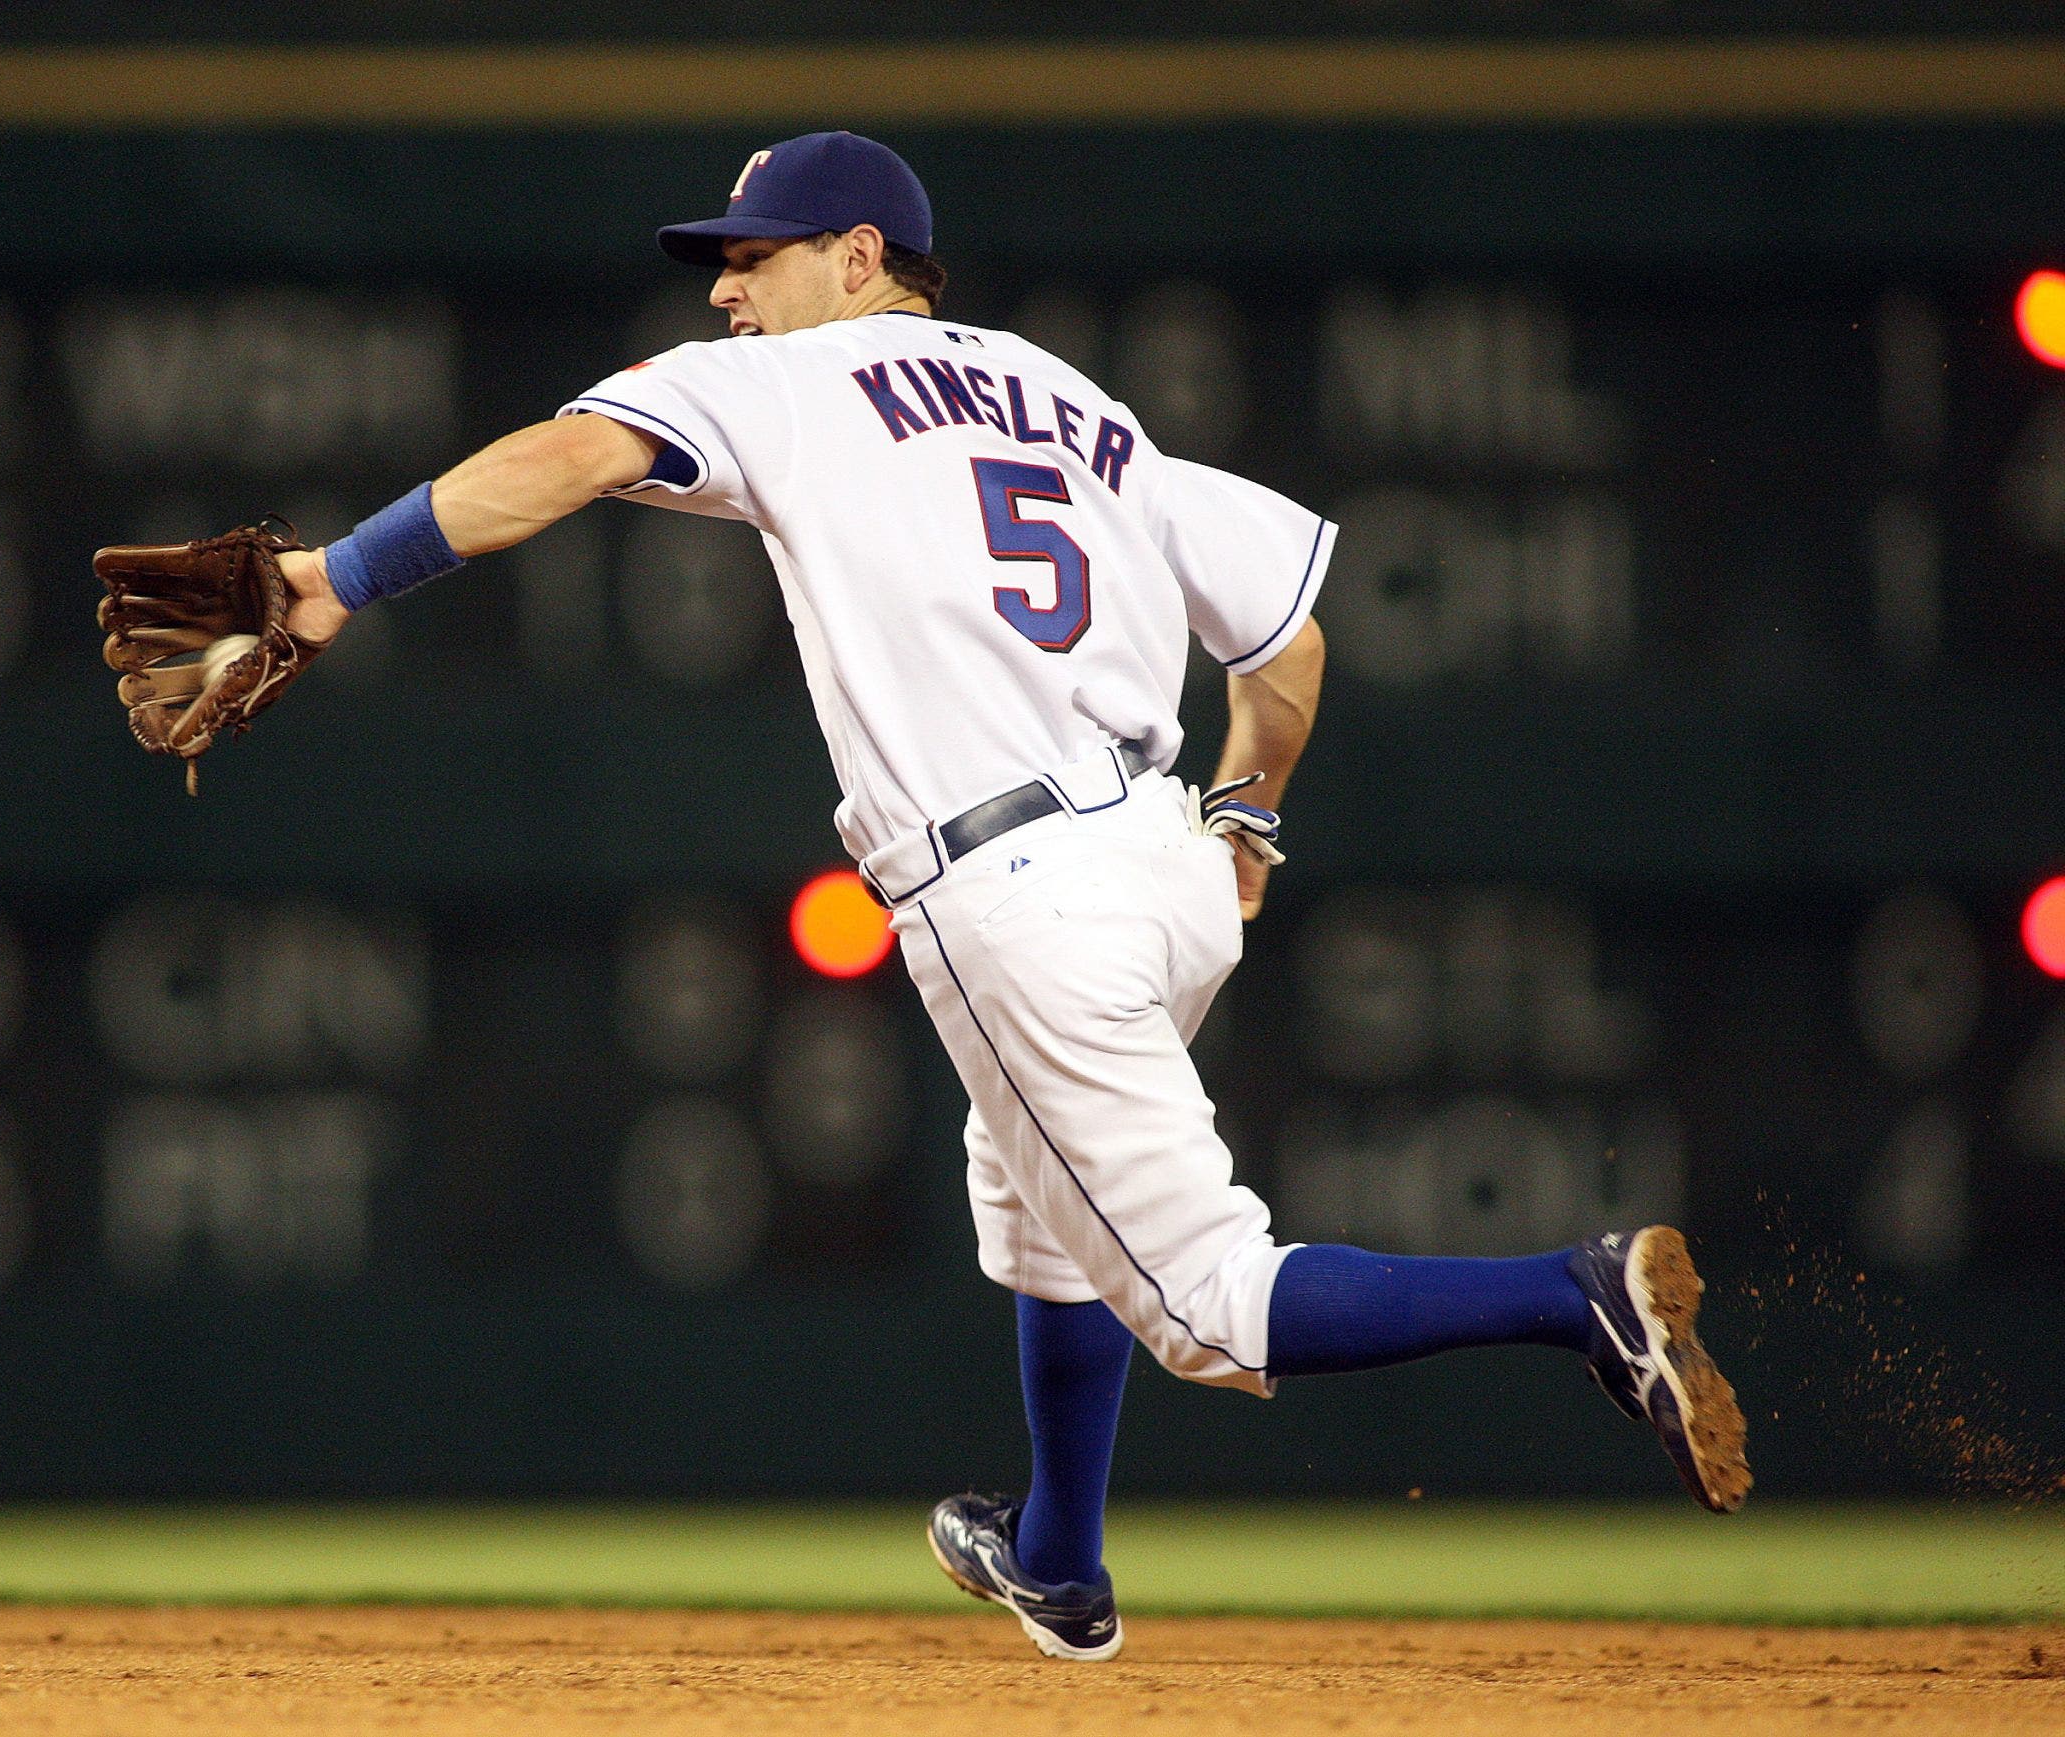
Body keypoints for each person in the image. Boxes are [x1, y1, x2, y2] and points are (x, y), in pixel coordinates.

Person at [269, 130, 1750, 1662]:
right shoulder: (1082, 406)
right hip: (1163, 860)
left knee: (1208, 1307)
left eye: (751, 255)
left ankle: (1571, 1294)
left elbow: (564, 458)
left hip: (1017, 894)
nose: (724, 290)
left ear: (857, 257)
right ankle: (1058, 1555)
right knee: (1039, 1198)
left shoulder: (787, 383)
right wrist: (1247, 819)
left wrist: (335, 577)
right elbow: (1287, 640)